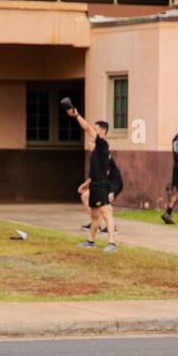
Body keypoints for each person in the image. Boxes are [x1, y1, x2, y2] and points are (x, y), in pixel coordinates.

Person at [66, 107, 117, 252]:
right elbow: (98, 171)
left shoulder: (102, 144)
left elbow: (87, 128)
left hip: (101, 185)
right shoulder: (97, 150)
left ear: (102, 131)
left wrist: (77, 116)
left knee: (106, 213)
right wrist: (87, 184)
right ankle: (90, 241)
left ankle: (112, 243)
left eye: (96, 129)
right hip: (95, 184)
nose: (92, 132)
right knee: (95, 216)